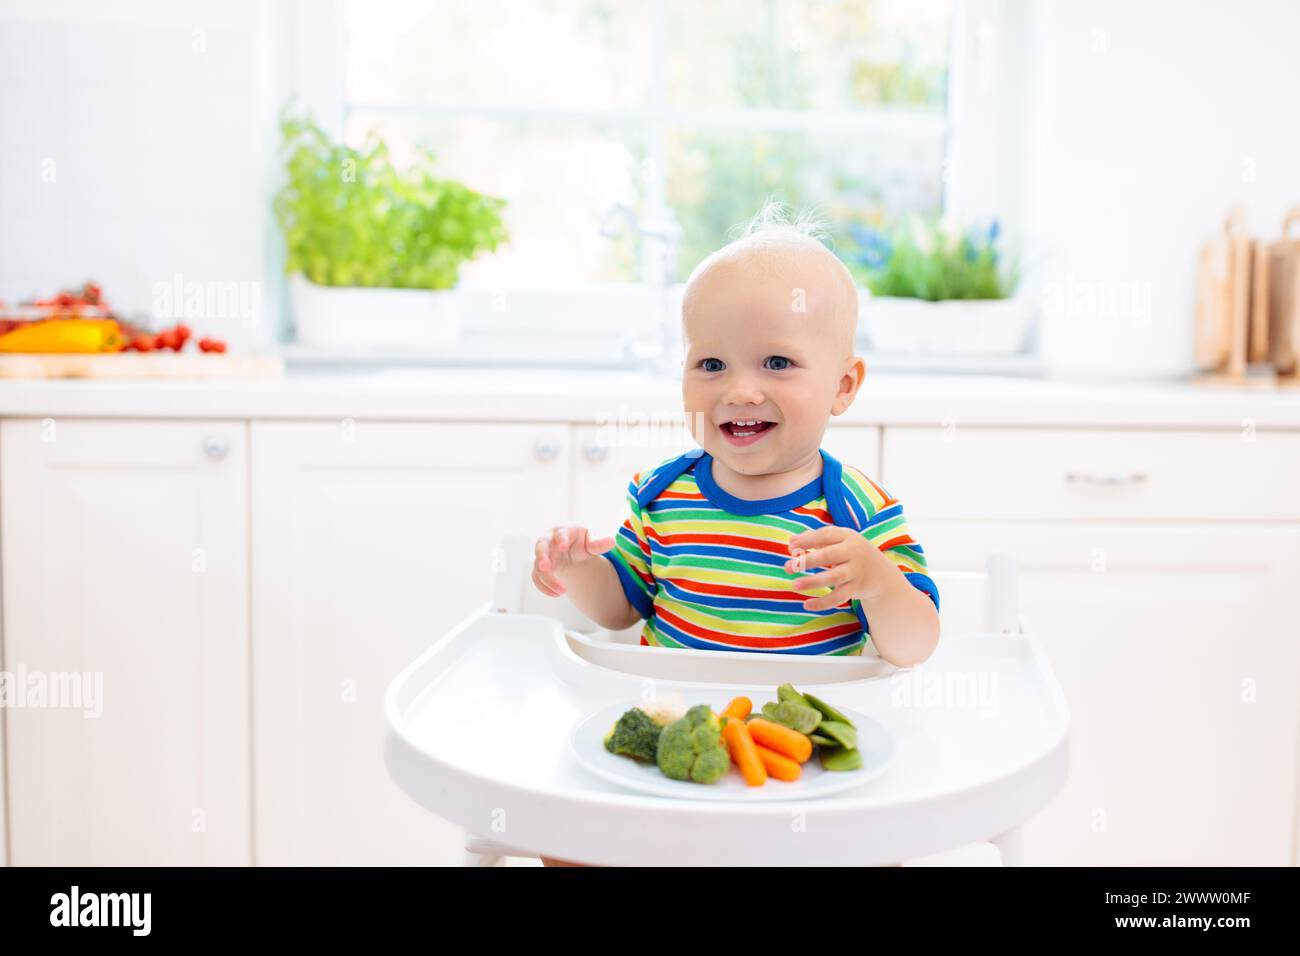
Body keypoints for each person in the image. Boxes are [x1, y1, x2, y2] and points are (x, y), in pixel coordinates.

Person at [533, 204, 940, 867]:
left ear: (843, 385)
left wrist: (875, 578)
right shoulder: (662, 495)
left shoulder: (858, 511)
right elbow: (621, 607)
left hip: (799, 773)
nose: (740, 390)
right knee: (561, 841)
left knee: (875, 852)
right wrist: (578, 568)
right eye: (711, 364)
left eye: (777, 362)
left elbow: (916, 642)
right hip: (673, 753)